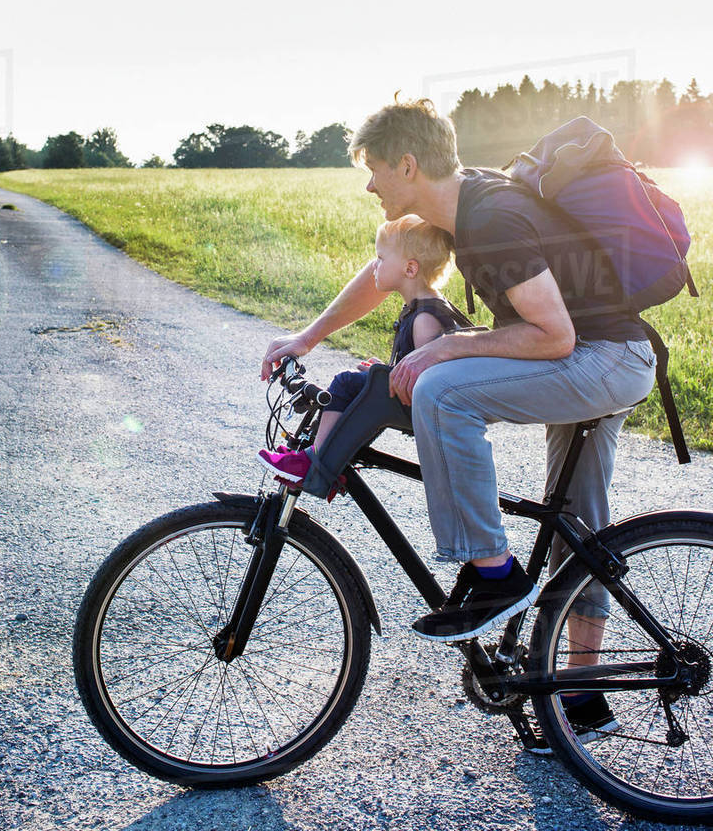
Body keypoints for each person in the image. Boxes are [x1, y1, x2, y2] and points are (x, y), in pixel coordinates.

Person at [261, 96, 657, 745]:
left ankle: (493, 574)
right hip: (597, 354)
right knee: (579, 533)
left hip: (604, 360)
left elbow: (553, 336)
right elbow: (380, 272)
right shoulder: (456, 204)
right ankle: (582, 701)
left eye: (375, 170)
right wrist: (307, 337)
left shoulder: (492, 218)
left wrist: (446, 346)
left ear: (409, 166)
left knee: (442, 389)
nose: (368, 184)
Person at [257, 215, 460, 486]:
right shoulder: (420, 308)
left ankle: (316, 460)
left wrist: (384, 379)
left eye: (381, 258)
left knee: (346, 382)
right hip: (411, 398)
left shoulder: (426, 318)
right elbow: (412, 364)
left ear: (410, 269)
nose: (374, 265)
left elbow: (428, 379)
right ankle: (329, 456)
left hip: (422, 406)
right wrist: (384, 371)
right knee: (358, 383)